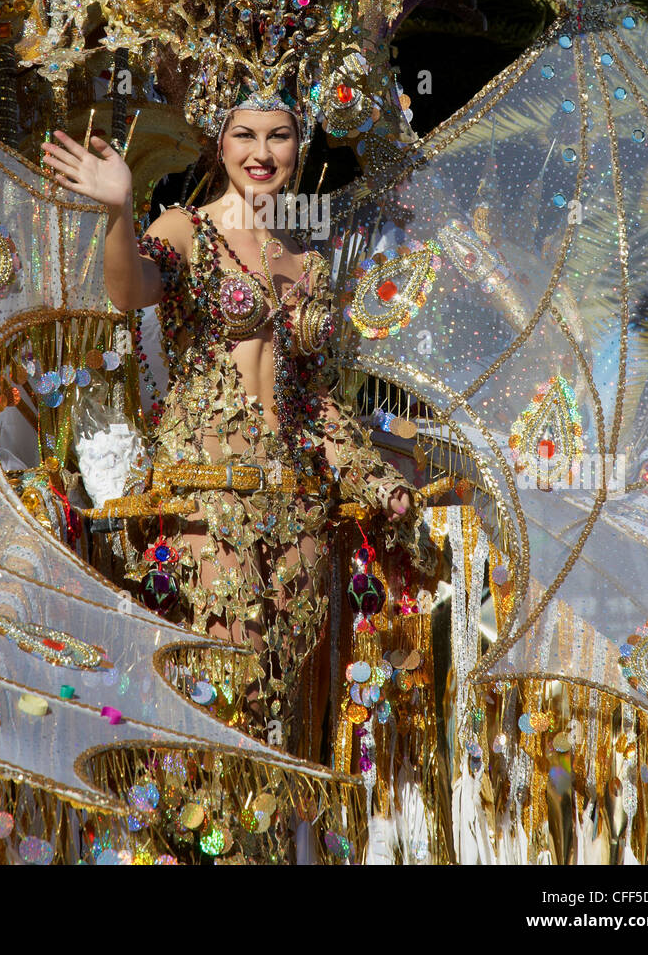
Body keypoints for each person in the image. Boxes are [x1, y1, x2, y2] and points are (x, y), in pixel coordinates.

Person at [41, 102, 425, 762]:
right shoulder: (185, 229)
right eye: (244, 135)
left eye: (279, 136)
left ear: (299, 146)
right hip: (208, 506)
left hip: (299, 512)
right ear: (219, 145)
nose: (262, 152)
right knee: (215, 708)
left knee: (286, 720)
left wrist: (377, 479)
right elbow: (130, 290)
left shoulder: (306, 258)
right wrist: (117, 212)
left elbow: (314, 401)